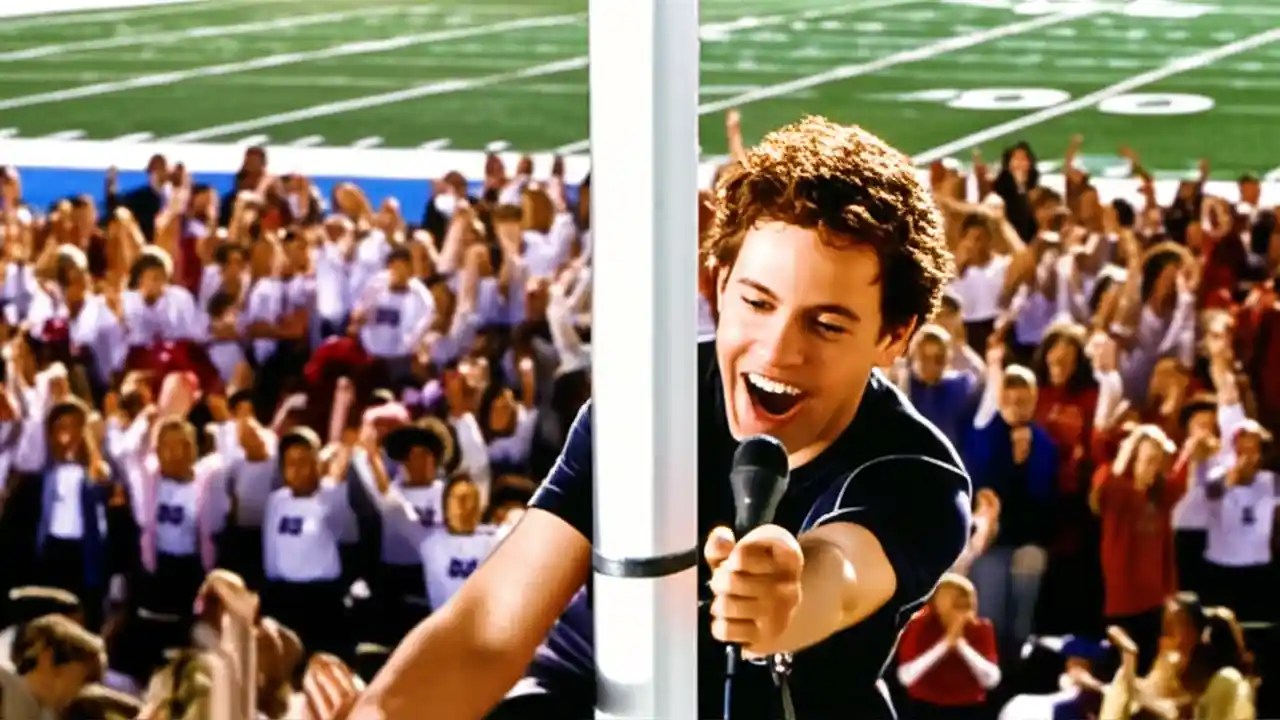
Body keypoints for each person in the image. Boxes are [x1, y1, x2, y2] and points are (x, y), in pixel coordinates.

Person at [342, 116, 971, 720]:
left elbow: (843, 572)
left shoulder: (918, 474)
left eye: (827, 323)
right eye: (757, 302)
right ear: (718, 285)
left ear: (895, 335)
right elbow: (487, 631)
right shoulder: (647, 405)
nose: (779, 350)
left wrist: (790, 590)